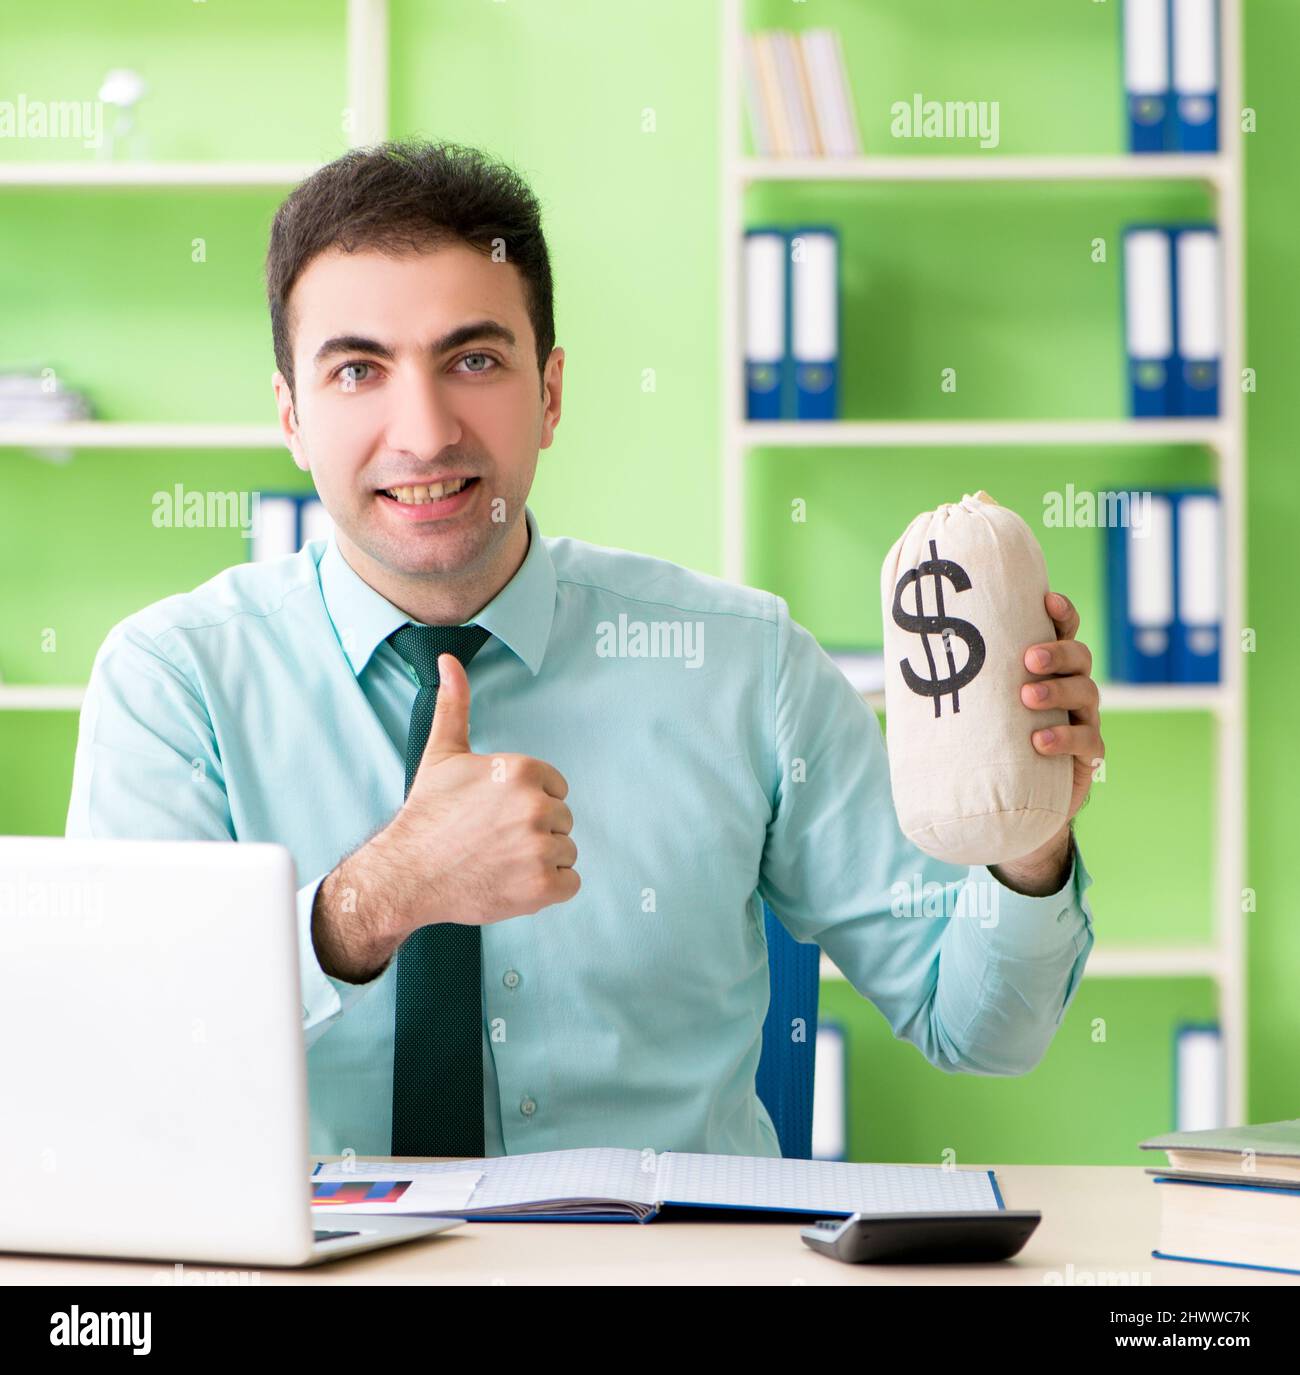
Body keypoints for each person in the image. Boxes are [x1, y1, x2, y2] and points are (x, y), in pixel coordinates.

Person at [66, 139, 1100, 1160]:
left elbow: (979, 1027)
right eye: (357, 371)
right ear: (291, 416)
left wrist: (1025, 837)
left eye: (473, 360)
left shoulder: (744, 669)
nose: (423, 433)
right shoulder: (173, 682)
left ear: (550, 393)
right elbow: (124, 1058)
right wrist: (377, 899)